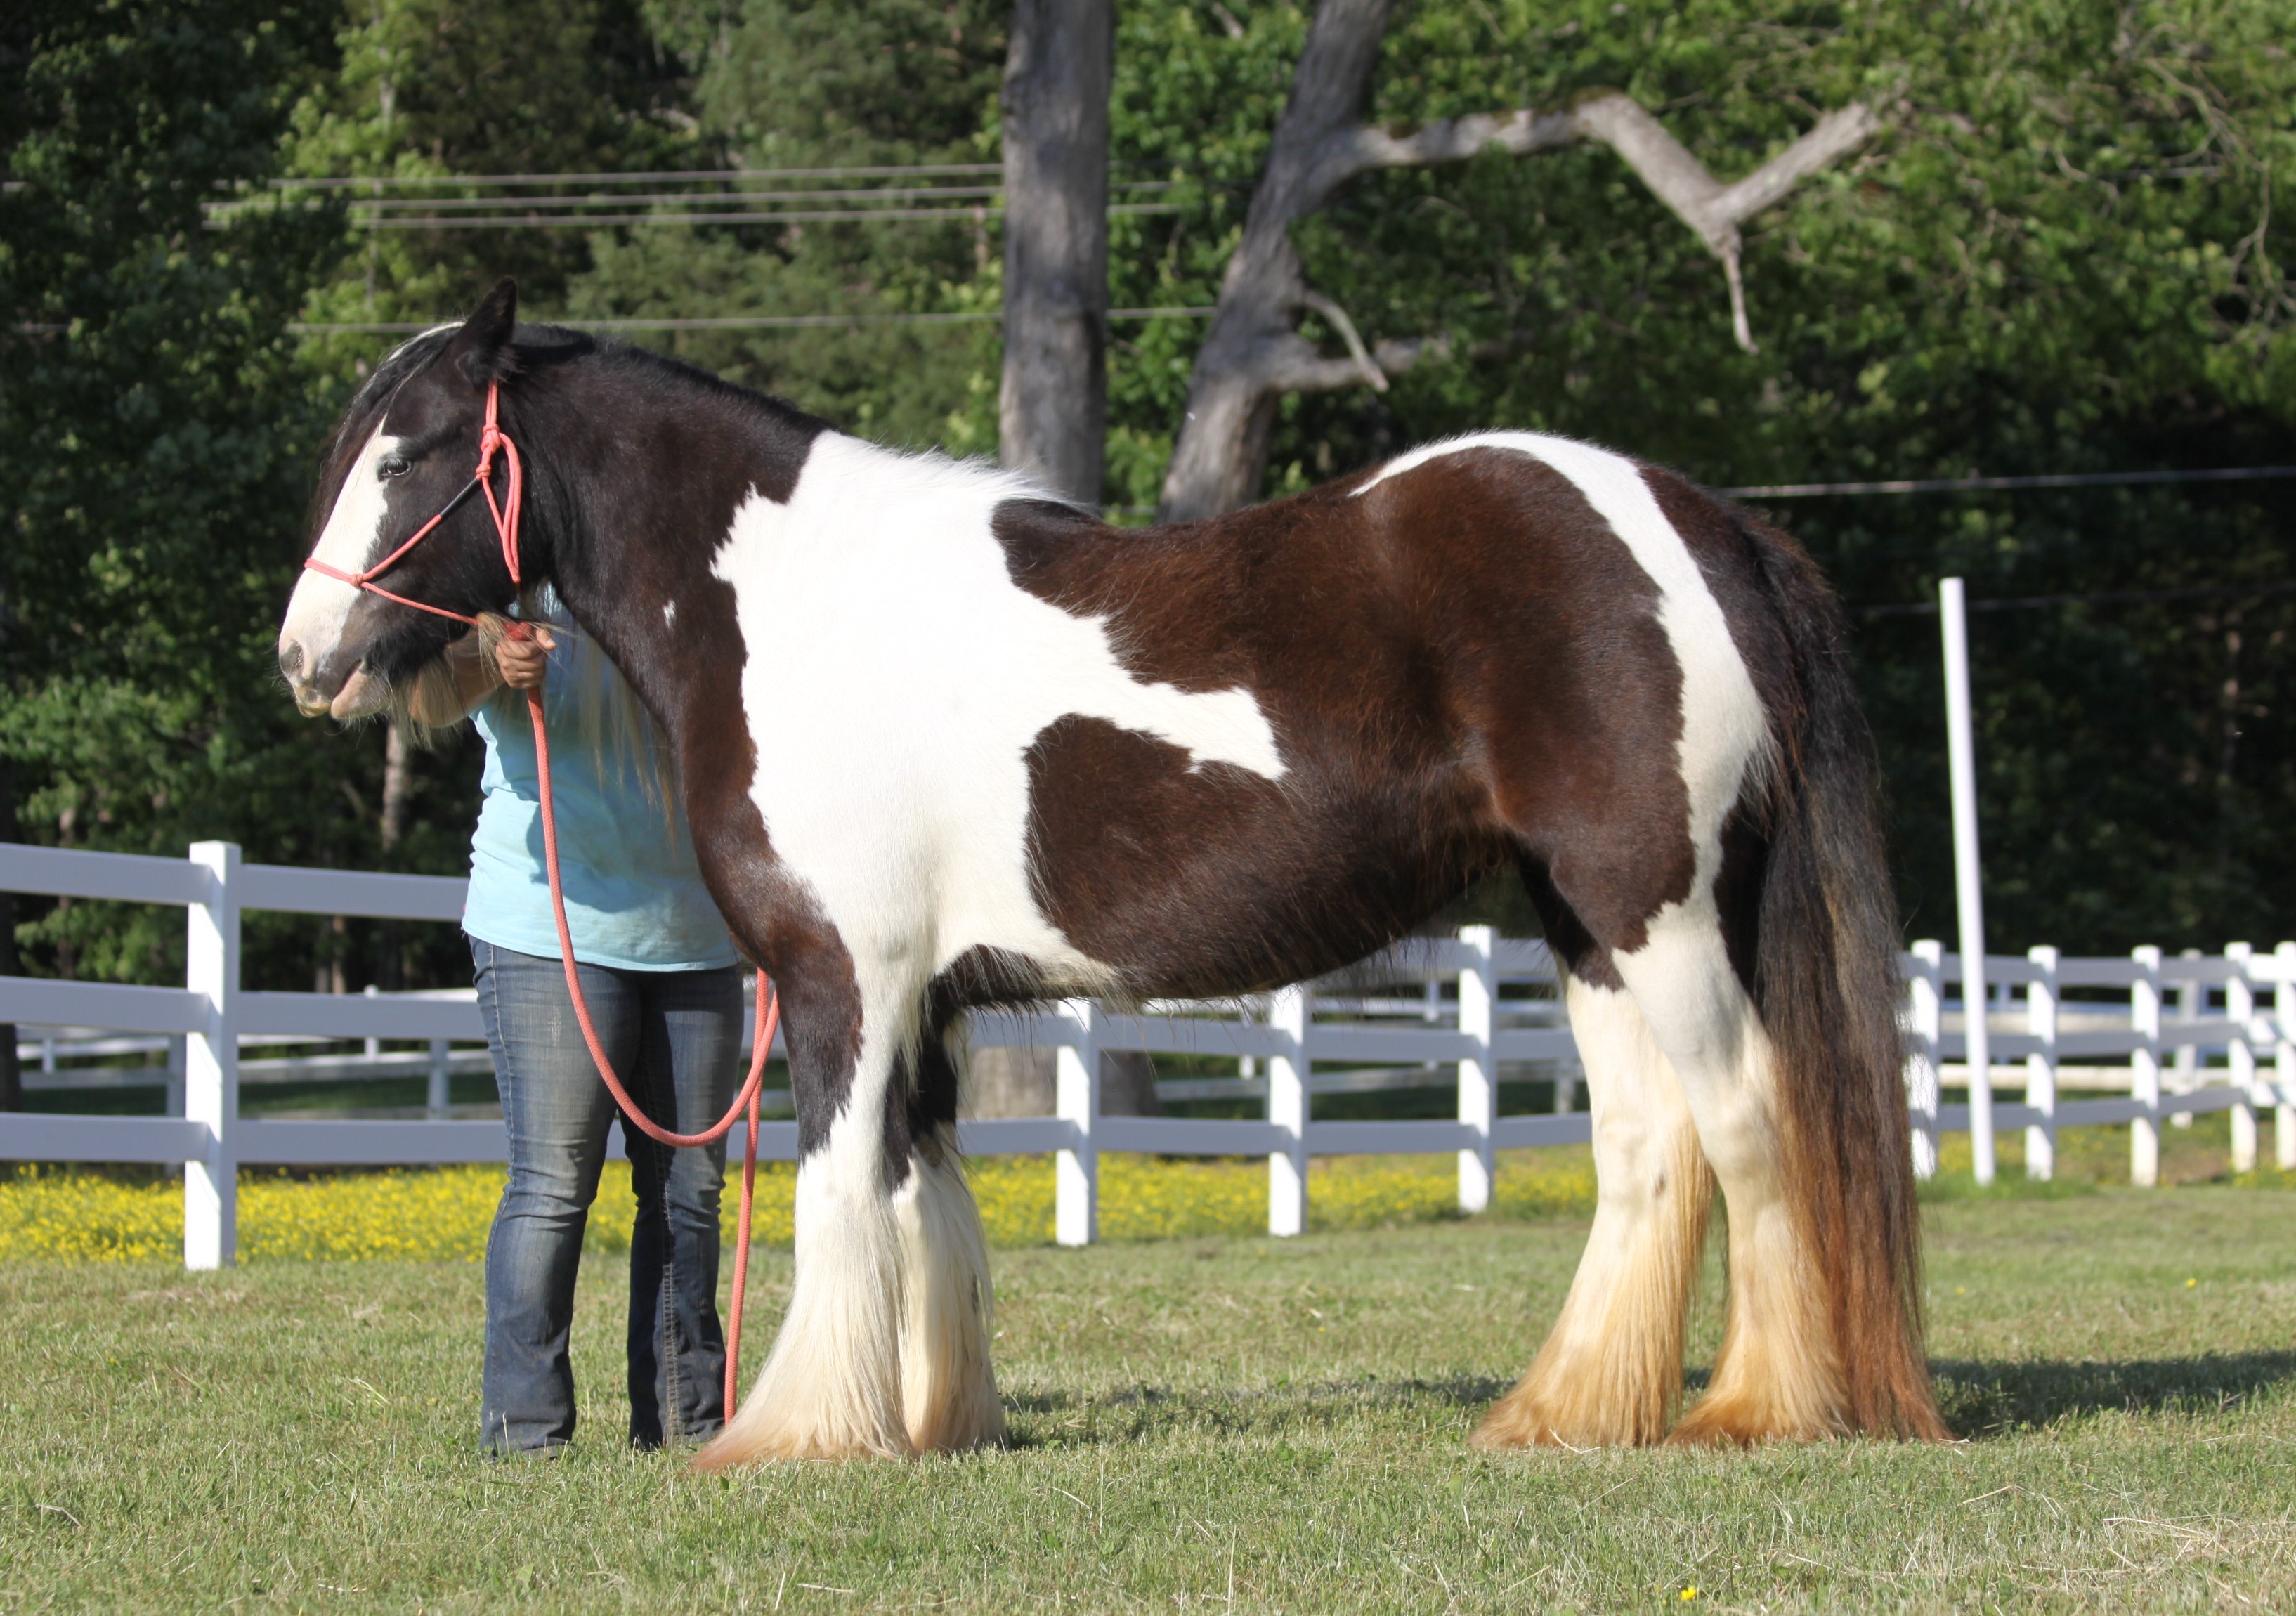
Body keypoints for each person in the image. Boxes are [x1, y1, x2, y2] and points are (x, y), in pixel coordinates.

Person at [433, 600, 743, 1454]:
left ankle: (686, 1424)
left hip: (695, 932)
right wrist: (490, 662)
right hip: (547, 927)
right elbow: (421, 691)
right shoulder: (520, 585)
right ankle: (526, 1433)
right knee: (553, 1185)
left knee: (689, 1192)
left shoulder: (691, 582)